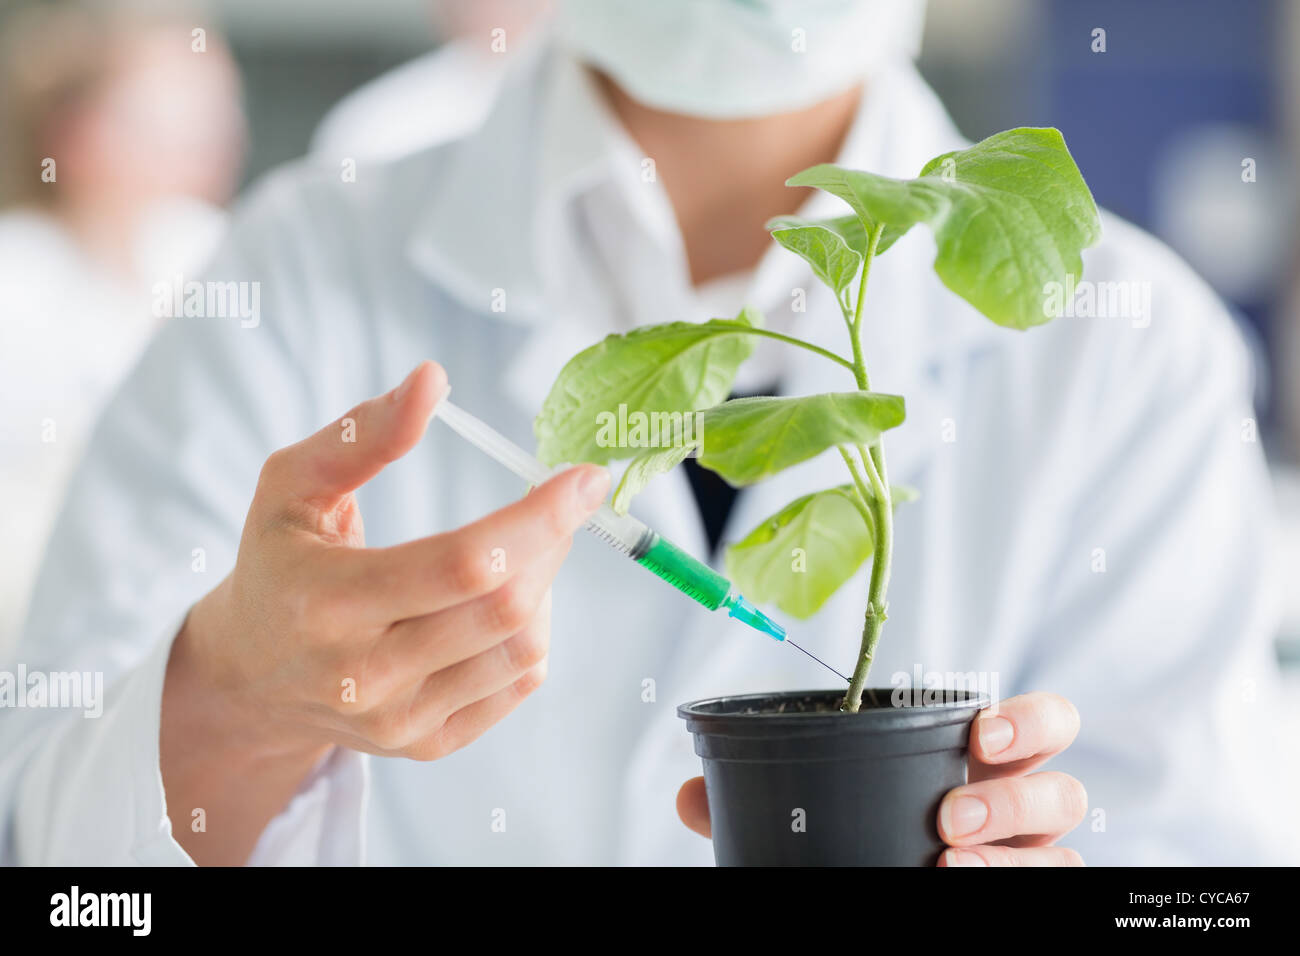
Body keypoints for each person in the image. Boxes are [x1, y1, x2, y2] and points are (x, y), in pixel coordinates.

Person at [1, 0, 1292, 866]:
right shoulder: (298, 269)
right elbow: (53, 849)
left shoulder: (1126, 342)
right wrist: (233, 701)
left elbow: (1207, 867)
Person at [0, 0, 245, 656]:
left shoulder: (202, 252)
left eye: (212, 119)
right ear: (72, 133)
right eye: (162, 121)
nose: (203, 146)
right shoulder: (17, 280)